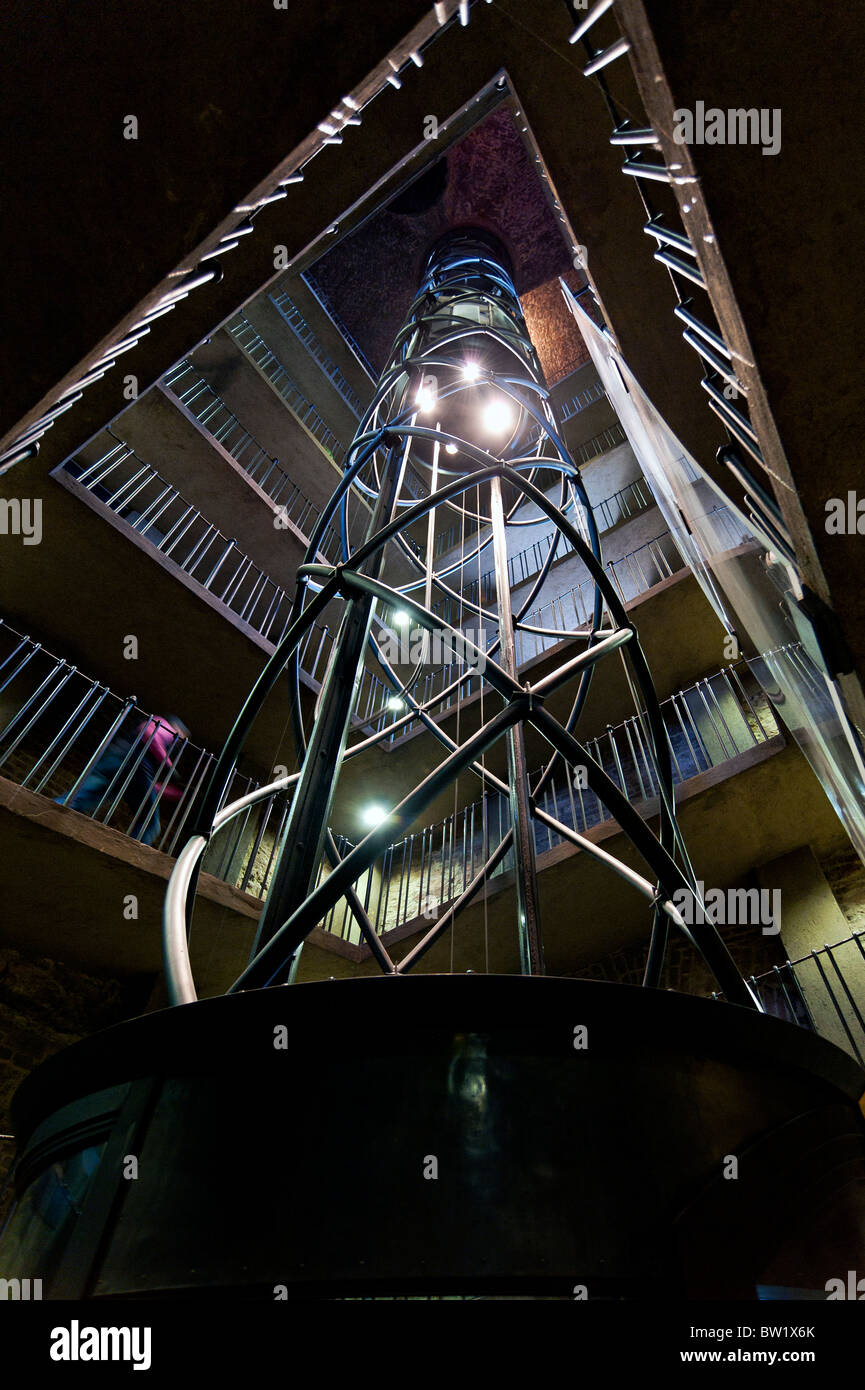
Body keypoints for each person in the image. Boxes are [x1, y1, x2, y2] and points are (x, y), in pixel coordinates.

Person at [56, 714, 190, 847]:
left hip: (118, 761)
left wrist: (176, 793)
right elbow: (149, 733)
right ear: (178, 728)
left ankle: (55, 809)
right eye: (183, 738)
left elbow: (147, 786)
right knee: (150, 823)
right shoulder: (167, 727)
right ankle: (132, 850)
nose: (180, 741)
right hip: (133, 764)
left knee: (82, 796)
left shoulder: (158, 740)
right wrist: (169, 766)